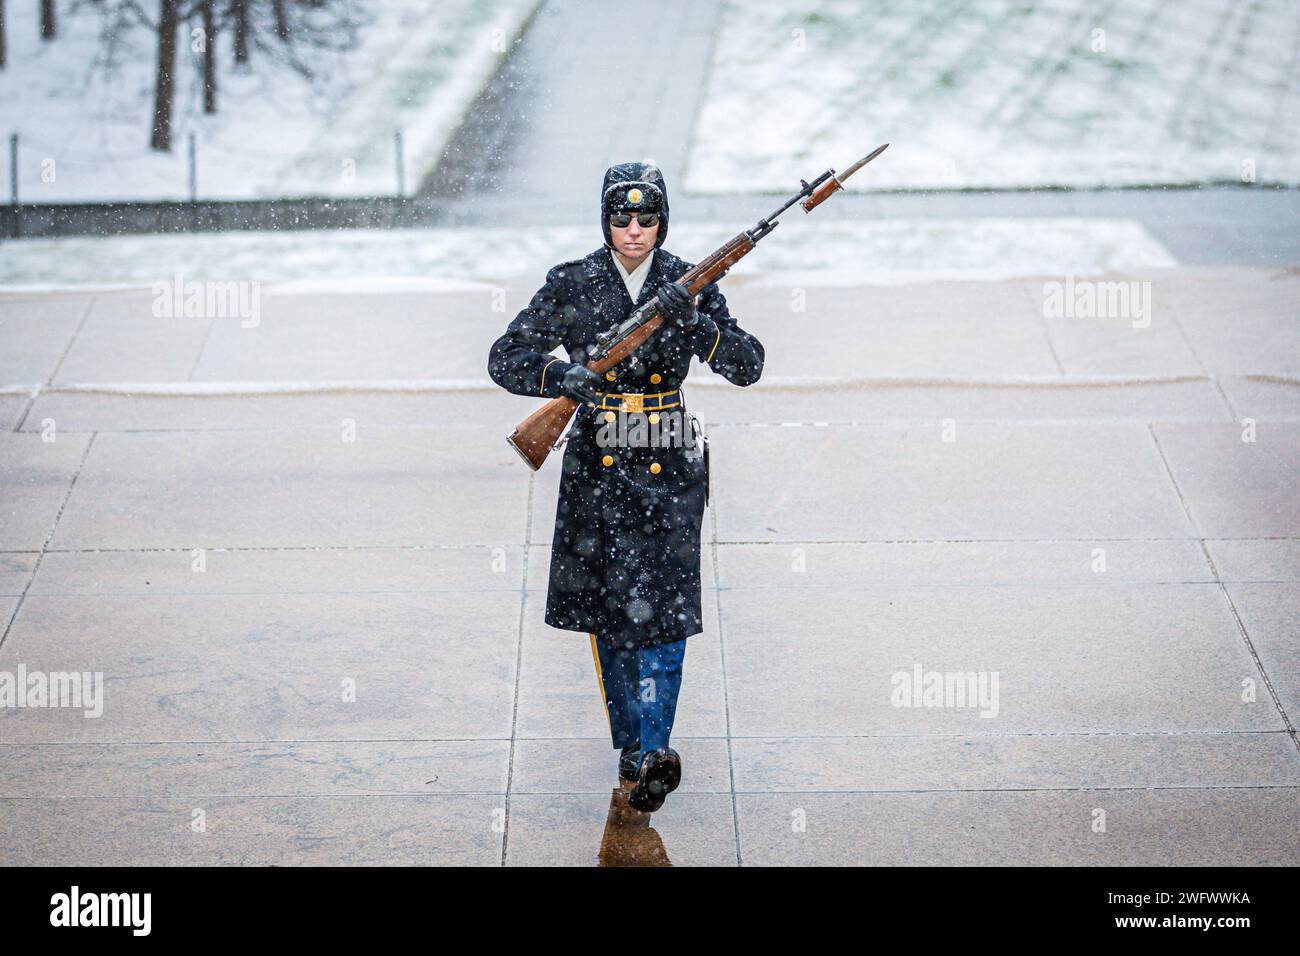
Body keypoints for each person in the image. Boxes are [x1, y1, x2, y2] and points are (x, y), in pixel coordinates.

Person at [488, 161, 764, 812]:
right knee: (613, 615)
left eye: (648, 217)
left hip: (669, 457)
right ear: (605, 219)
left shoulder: (687, 282)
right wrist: (561, 376)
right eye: (621, 216)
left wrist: (695, 325)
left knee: (663, 613)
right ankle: (634, 747)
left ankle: (654, 750)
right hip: (597, 465)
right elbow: (506, 356)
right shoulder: (574, 282)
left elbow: (747, 365)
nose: (635, 229)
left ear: (663, 221)